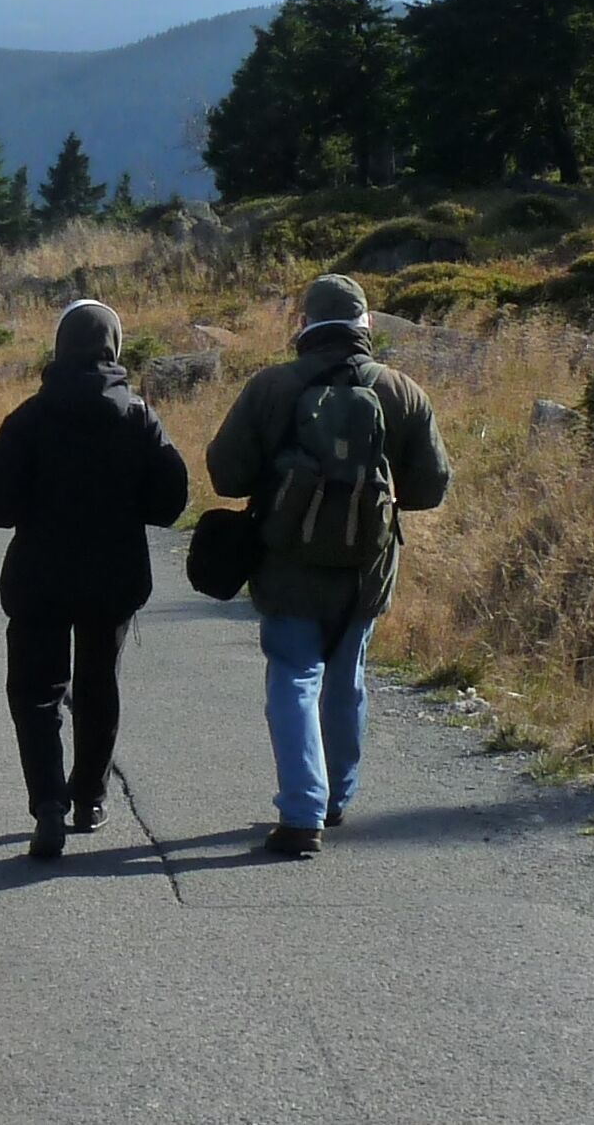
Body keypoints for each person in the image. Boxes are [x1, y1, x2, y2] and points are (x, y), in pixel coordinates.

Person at [205, 274, 451, 857]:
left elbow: (226, 473)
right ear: (366, 324)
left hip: (286, 563)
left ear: (304, 324)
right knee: (347, 678)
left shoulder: (271, 387)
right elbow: (431, 487)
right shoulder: (402, 392)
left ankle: (301, 812)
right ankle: (337, 798)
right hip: (366, 568)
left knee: (293, 675)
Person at [0, 299, 190, 860]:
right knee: (99, 686)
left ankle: (47, 803)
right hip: (113, 577)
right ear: (113, 347)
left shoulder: (29, 417)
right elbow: (171, 502)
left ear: (60, 347)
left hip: (39, 577)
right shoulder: (139, 417)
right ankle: (90, 796)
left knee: (35, 692)